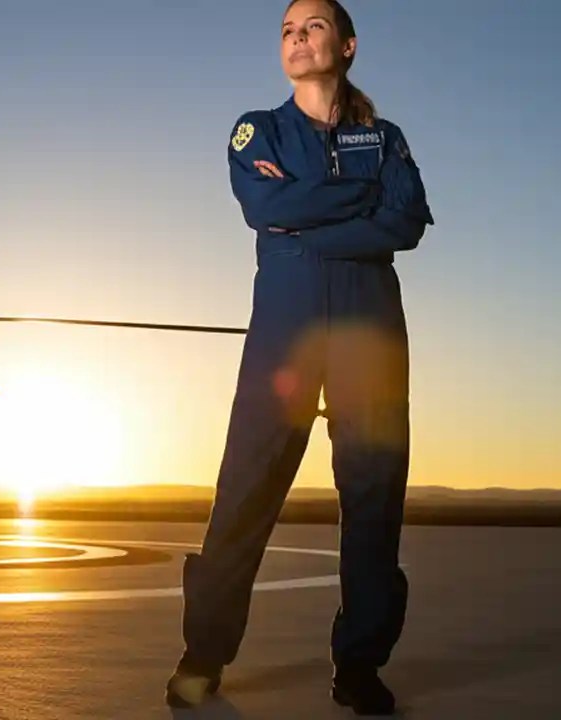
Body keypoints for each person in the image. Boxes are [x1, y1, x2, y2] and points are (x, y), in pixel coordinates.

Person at [166, 0, 434, 715]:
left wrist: (309, 221)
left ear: (347, 45)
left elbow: (406, 220)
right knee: (245, 492)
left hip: (368, 333)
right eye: (286, 29)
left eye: (311, 26)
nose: (296, 37)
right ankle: (204, 654)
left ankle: (360, 665)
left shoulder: (385, 136)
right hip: (283, 337)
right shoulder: (256, 130)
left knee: (374, 498)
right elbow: (263, 208)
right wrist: (358, 209)